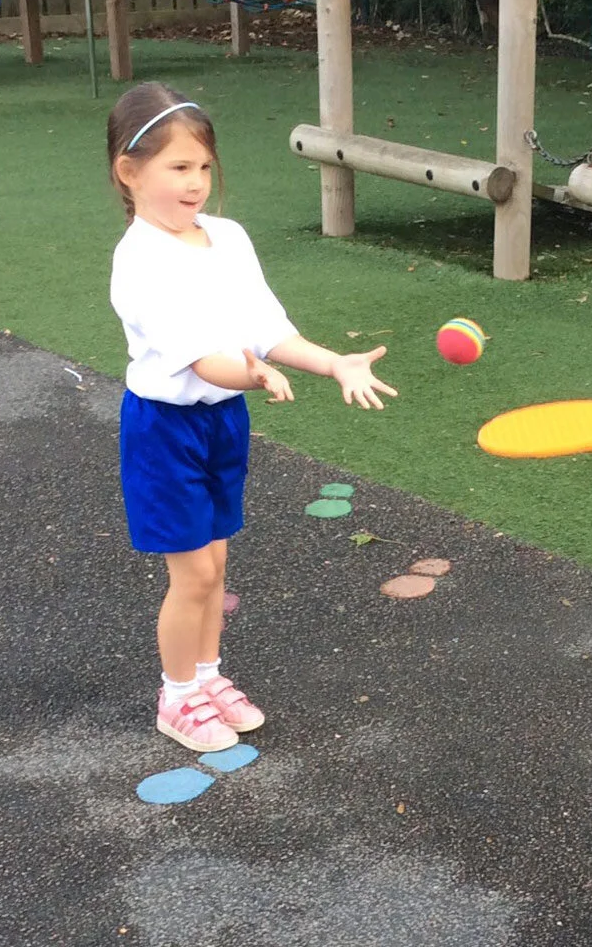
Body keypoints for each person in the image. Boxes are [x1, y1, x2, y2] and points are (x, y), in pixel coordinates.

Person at [106, 82, 397, 753]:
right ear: (130, 172)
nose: (197, 183)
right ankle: (175, 697)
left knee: (217, 560)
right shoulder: (140, 261)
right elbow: (207, 361)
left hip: (221, 422)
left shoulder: (227, 239)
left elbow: (267, 328)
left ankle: (206, 677)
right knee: (195, 574)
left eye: (204, 167)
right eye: (179, 168)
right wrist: (254, 374)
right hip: (165, 429)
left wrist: (331, 363)